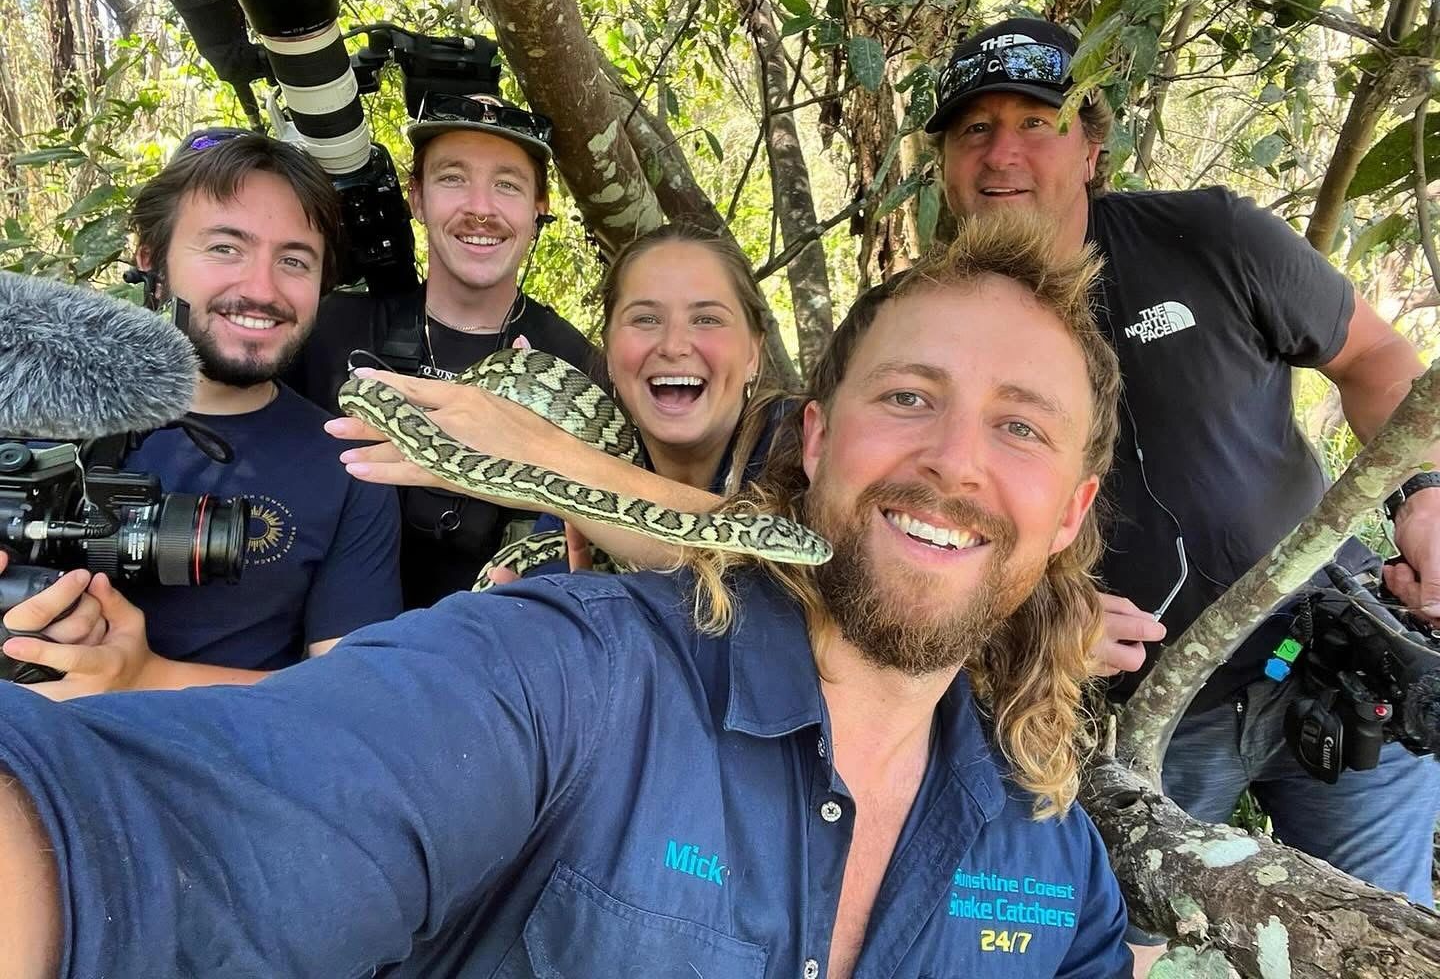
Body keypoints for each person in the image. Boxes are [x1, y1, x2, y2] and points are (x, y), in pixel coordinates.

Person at [0, 215, 1134, 978]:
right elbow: (199, 827)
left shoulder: (1057, 870)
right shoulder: (569, 672)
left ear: (1074, 510)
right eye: (910, 396)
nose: (956, 460)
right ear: (819, 439)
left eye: (1021, 424)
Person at [924, 17, 1440, 920]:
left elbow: (1378, 363)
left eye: (1035, 122)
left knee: (1378, 931)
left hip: (1335, 655)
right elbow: (918, 533)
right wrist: (1033, 616)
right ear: (945, 162)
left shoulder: (1211, 236)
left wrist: (1425, 495)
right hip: (1148, 712)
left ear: (1091, 146)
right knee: (1120, 937)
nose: (1002, 152)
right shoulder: (932, 328)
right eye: (974, 128)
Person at [0, 131, 403, 695]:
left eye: (294, 259)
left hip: (227, 769)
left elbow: (355, 701)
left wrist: (146, 676)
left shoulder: (353, 463)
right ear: (152, 260)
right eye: (224, 248)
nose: (261, 288)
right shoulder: (30, 413)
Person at [288, 92, 596, 608]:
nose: (481, 208)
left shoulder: (580, 366)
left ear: (539, 206)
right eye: (453, 178)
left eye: (508, 184)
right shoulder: (327, 331)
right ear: (416, 197)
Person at [492, 223, 789, 580]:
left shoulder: (810, 454)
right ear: (610, 353)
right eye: (645, 319)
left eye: (707, 319)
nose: (673, 345)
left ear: (753, 352)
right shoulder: (576, 479)